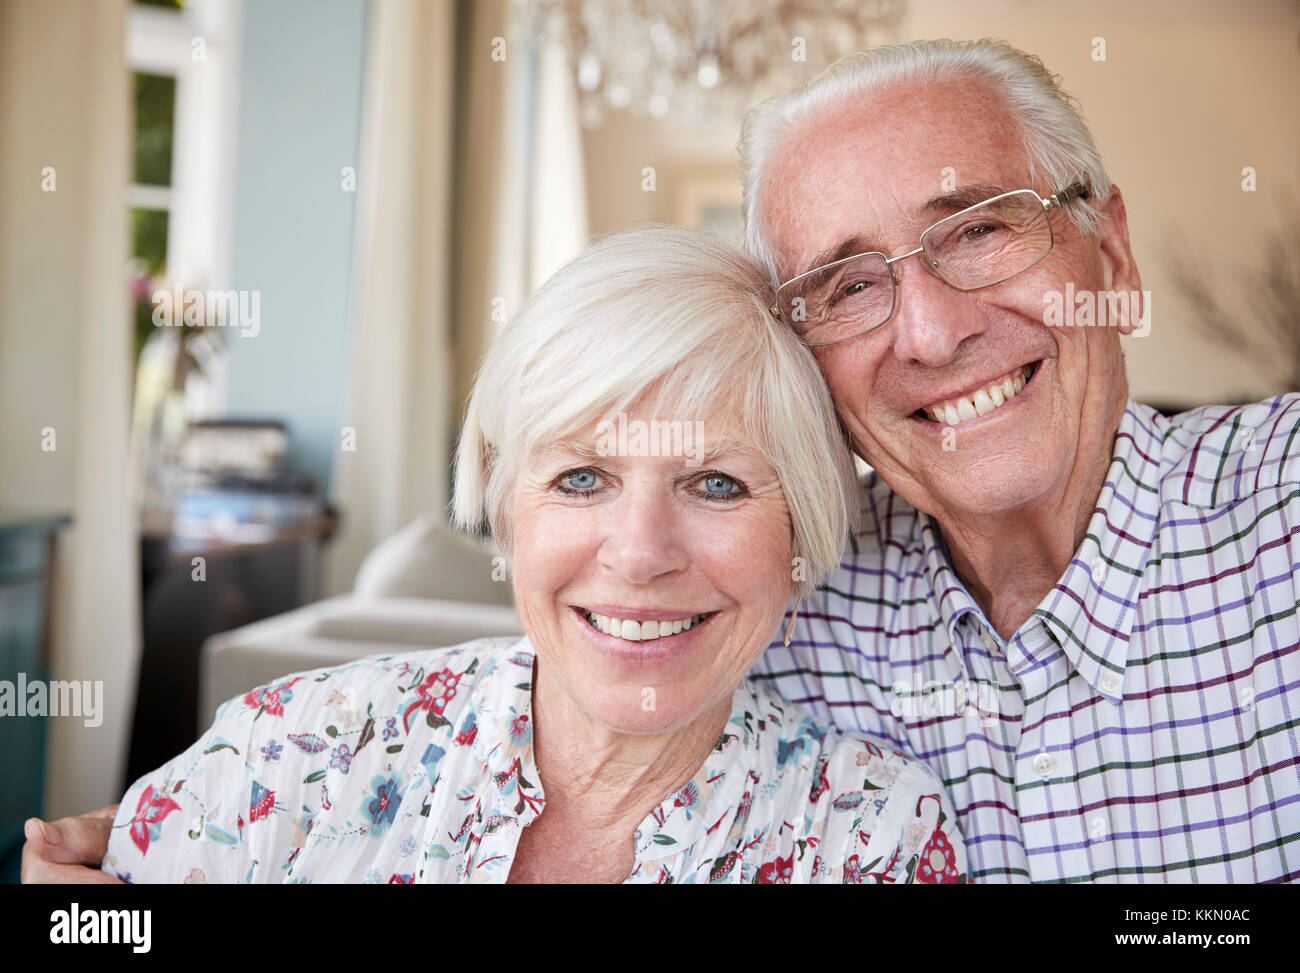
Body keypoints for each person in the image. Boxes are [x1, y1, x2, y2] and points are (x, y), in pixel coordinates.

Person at [57, 227, 965, 884]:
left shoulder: (871, 837)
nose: (641, 553)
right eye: (580, 478)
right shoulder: (293, 750)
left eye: (717, 484)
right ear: (505, 505)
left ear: (802, 532)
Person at [738, 38, 1300, 882]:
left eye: (977, 230)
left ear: (1110, 258)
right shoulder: (774, 604)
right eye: (849, 287)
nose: (932, 333)